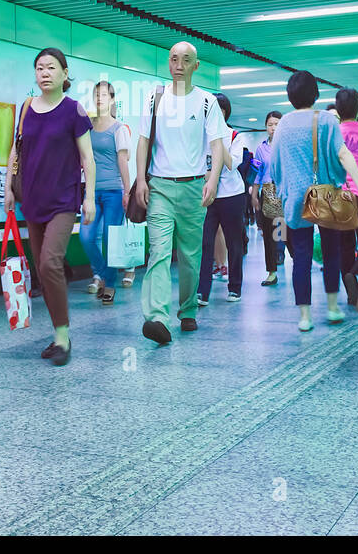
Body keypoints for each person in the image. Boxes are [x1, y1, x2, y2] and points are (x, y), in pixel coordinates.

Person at [6, 48, 95, 363]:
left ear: (65, 73)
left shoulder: (74, 111)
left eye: (51, 67)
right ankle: (60, 331)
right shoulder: (27, 107)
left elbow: (87, 157)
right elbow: (16, 150)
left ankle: (62, 337)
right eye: (39, 68)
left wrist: (89, 197)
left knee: (49, 263)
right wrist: (8, 188)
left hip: (63, 200)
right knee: (43, 270)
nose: (44, 73)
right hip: (32, 199)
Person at [134, 42, 225, 344]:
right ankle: (157, 317)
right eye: (174, 59)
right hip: (159, 185)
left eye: (186, 60)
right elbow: (143, 141)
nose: (179, 65)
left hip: (194, 187)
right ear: (168, 63)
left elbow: (217, 146)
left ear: (196, 66)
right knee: (158, 252)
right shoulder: (154, 98)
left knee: (189, 254)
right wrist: (141, 180)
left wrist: (212, 180)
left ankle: (187, 311)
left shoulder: (206, 102)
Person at [269, 72, 358, 332]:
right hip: (327, 198)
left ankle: (305, 316)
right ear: (315, 93)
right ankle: (333, 307)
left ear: (290, 96)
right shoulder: (327, 120)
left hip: (297, 199)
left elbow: (275, 164)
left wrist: (283, 189)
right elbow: (342, 154)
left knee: (301, 256)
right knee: (332, 252)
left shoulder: (284, 125)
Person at [79, 80, 131, 305]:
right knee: (86, 237)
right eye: (96, 94)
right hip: (91, 191)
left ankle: (108, 285)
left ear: (112, 100)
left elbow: (123, 161)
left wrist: (127, 191)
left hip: (113, 192)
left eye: (104, 95)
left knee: (110, 240)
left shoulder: (119, 128)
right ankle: (104, 274)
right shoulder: (86, 127)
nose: (99, 98)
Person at [197, 93, 247, 305]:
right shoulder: (199, 137)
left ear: (223, 113)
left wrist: (218, 141)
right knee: (205, 243)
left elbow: (231, 164)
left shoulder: (235, 136)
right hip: (208, 195)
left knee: (234, 242)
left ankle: (235, 288)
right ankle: (202, 291)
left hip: (232, 196)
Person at [334, 87, 358, 302]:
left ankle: (351, 293)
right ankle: (354, 274)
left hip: (340, 197)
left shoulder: (332, 134)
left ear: (338, 110)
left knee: (345, 245)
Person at [248, 110, 285, 286]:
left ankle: (289, 256)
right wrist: (254, 194)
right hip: (267, 193)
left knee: (286, 231)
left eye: (277, 124)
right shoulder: (261, 148)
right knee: (269, 235)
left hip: (284, 193)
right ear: (265, 127)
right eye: (270, 124)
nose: (273, 128)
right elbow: (257, 173)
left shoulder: (286, 145)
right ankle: (272, 272)